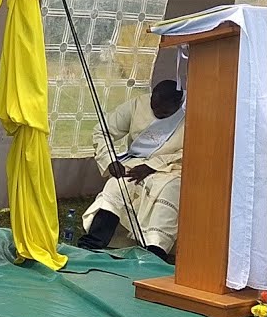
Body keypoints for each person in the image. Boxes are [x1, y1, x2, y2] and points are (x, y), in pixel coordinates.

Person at [77, 80, 186, 259]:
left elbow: (193, 150)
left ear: (178, 104)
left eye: (164, 112)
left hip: (172, 168)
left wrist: (152, 166)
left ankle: (155, 251)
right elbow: (102, 131)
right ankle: (94, 242)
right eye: (154, 107)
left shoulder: (190, 112)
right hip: (137, 162)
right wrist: (111, 160)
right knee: (117, 184)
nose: (157, 113)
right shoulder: (137, 104)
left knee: (168, 190)